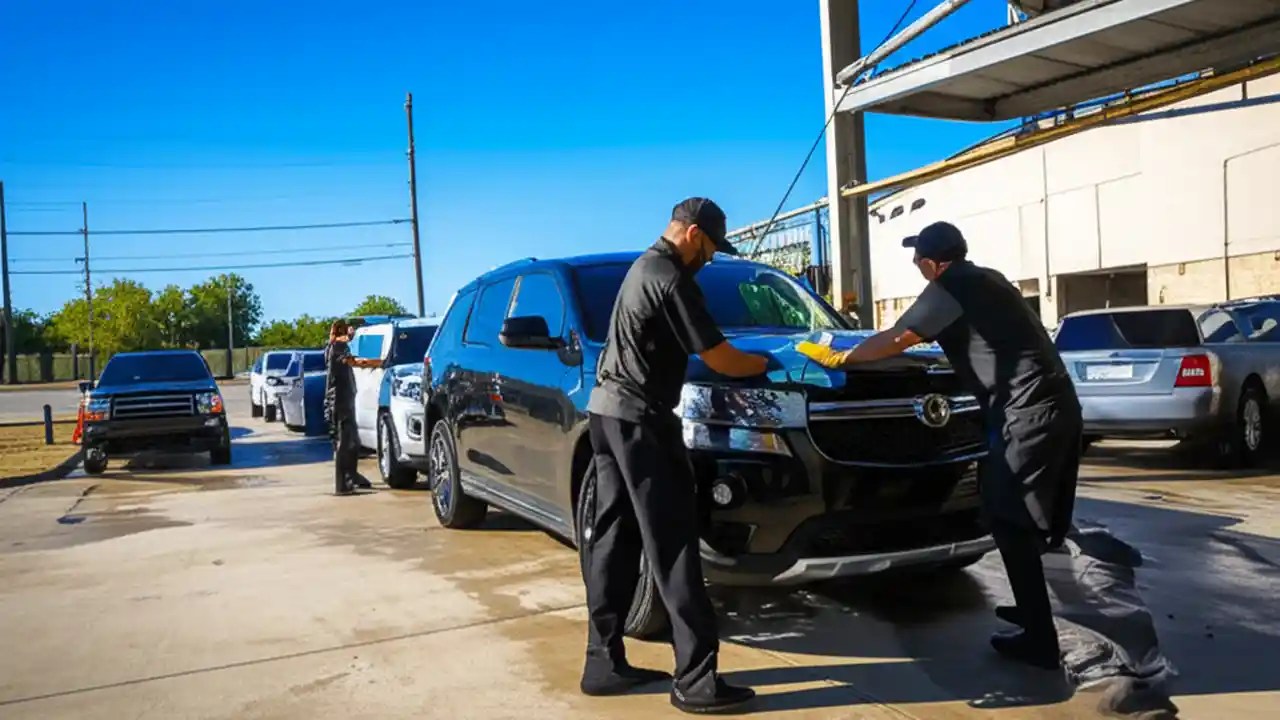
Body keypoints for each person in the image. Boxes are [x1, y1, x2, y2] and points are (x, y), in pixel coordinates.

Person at [796, 221, 1082, 670]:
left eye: (917, 259)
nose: (915, 265)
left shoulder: (949, 286)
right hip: (1054, 407)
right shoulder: (989, 279)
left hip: (1026, 415)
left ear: (932, 262)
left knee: (1012, 518)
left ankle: (1039, 640)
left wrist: (843, 356)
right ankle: (1030, 610)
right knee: (1014, 510)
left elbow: (897, 338)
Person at [581, 198, 770, 714]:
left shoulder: (642, 268)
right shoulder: (671, 277)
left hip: (606, 415)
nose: (710, 259)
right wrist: (766, 364)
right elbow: (720, 357)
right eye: (710, 247)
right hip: (641, 420)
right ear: (691, 234)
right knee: (673, 542)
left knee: (614, 539)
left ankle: (603, 662)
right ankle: (696, 678)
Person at [324, 320, 380, 495]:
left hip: (342, 399)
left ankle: (351, 475)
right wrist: (378, 362)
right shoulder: (338, 346)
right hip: (339, 400)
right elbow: (355, 362)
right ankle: (342, 483)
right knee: (344, 441)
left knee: (352, 441)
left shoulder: (333, 347)